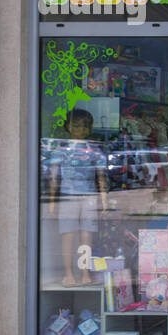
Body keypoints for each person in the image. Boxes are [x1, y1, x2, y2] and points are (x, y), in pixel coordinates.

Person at [45, 108, 108, 287]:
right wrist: (51, 202)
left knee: (86, 235)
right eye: (76, 126)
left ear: (89, 128)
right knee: (68, 235)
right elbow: (53, 177)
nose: (80, 130)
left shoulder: (94, 150)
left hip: (88, 196)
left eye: (84, 126)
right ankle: (68, 273)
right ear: (68, 127)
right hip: (67, 196)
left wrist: (103, 199)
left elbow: (101, 176)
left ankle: (85, 272)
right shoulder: (61, 149)